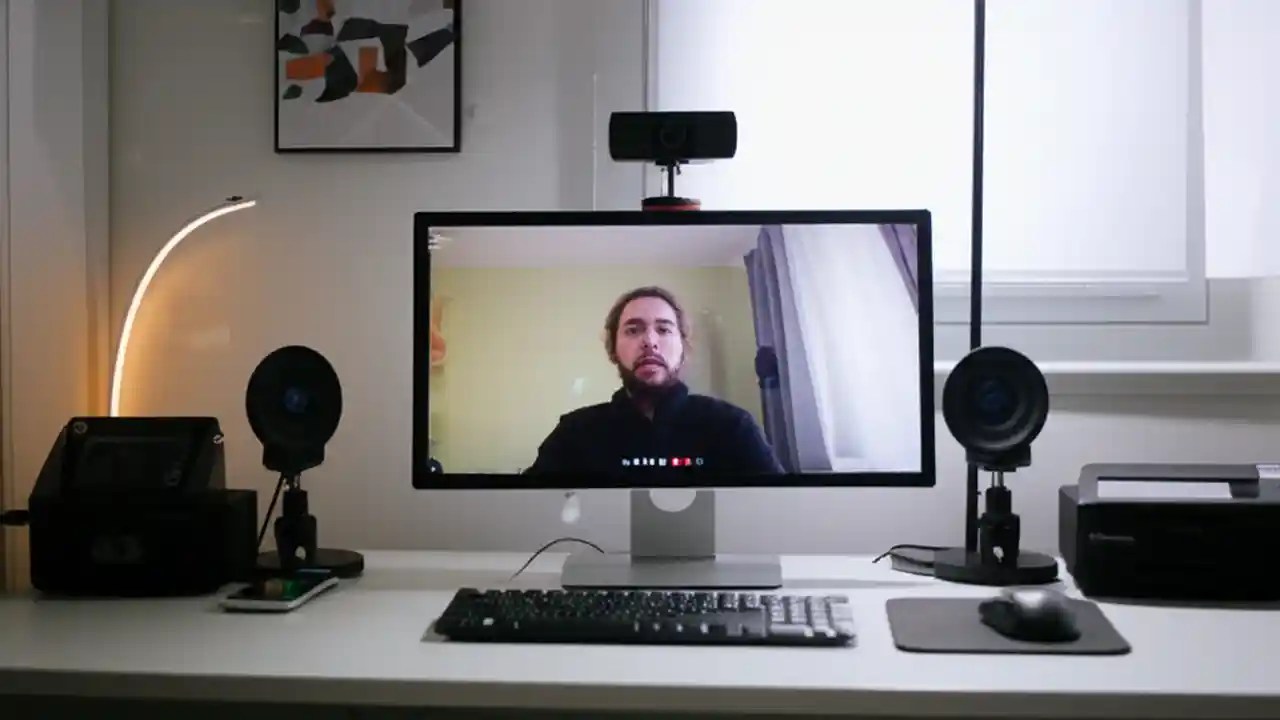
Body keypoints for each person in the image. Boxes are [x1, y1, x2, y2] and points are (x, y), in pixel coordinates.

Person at [526, 286, 783, 476]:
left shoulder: (733, 426)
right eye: (633, 329)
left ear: (683, 347)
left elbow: (778, 511)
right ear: (613, 348)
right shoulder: (574, 431)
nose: (649, 340)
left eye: (663, 329)